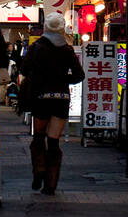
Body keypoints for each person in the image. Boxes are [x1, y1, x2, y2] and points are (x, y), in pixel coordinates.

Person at [18, 12, 85, 195]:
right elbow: (79, 75)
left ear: (46, 28)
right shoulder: (67, 50)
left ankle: (39, 170)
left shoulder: (36, 47)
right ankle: (51, 184)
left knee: (38, 137)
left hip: (40, 97)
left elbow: (24, 69)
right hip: (61, 98)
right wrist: (63, 79)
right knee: (54, 141)